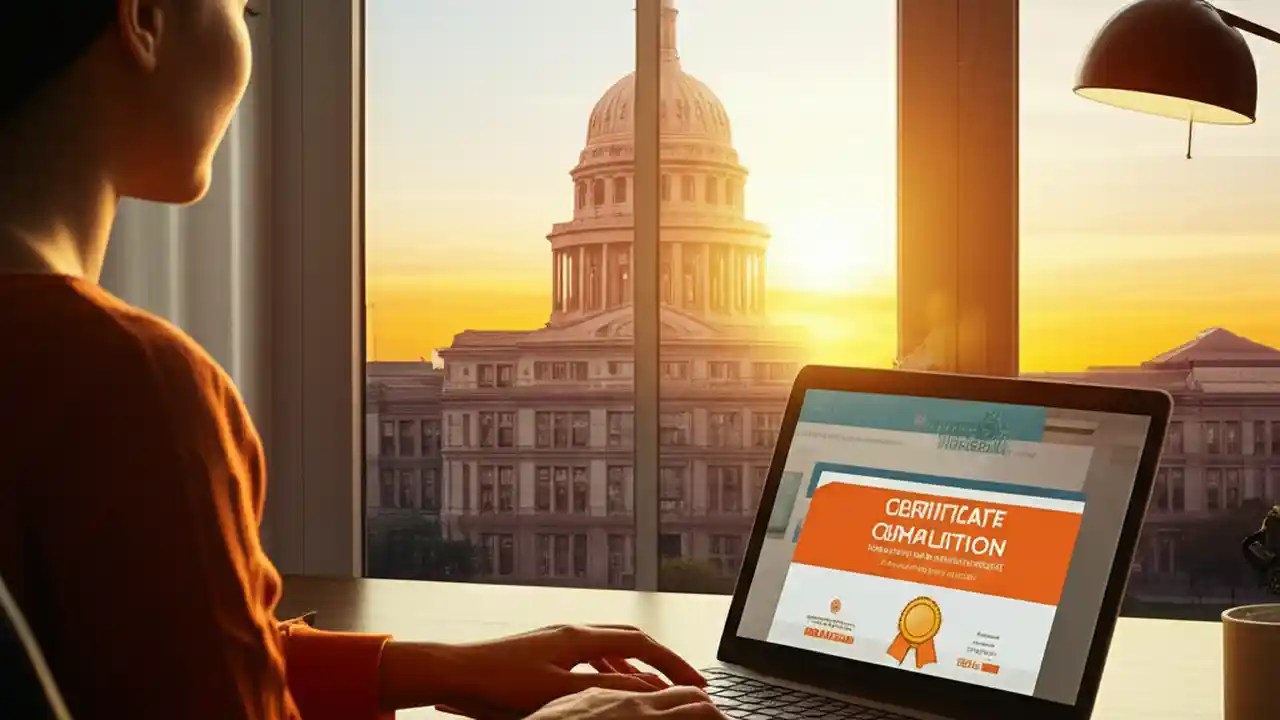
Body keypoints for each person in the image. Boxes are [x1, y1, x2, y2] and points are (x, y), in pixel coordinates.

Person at [0, 2, 725, 719]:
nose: (249, 41)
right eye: (244, 9)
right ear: (145, 19)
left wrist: (437, 668)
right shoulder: (125, 386)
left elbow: (140, 652)